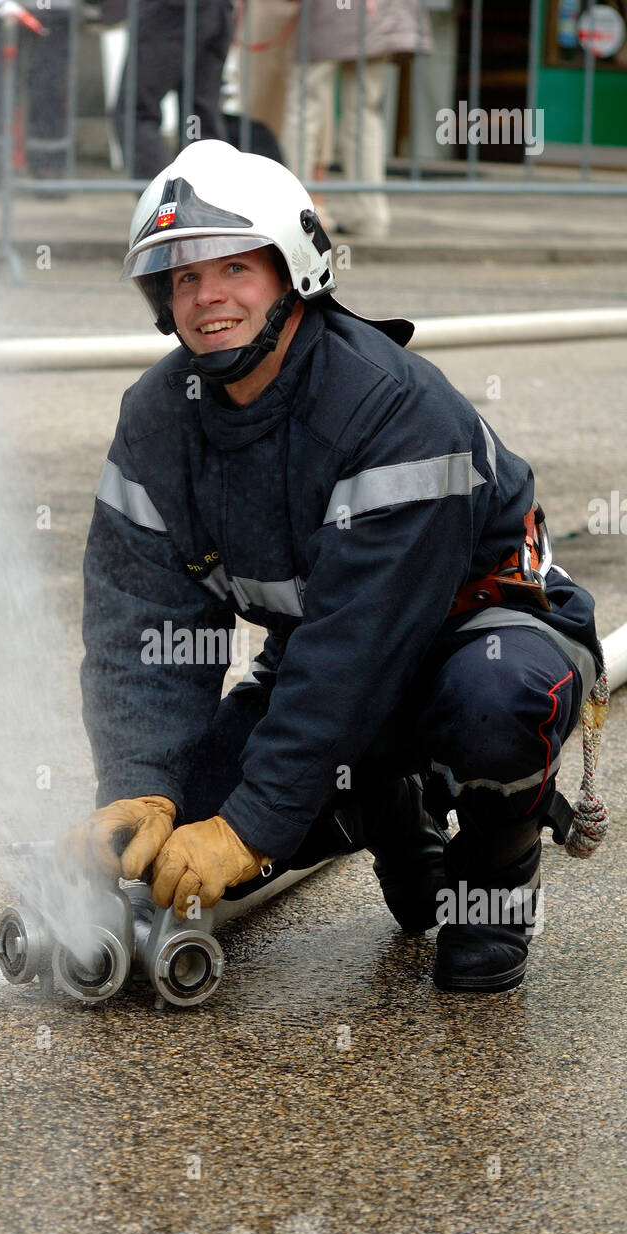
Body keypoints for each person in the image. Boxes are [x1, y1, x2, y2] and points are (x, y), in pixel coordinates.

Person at [63, 139, 604, 995]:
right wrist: (141, 787)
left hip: (493, 634)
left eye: (234, 267)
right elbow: (144, 626)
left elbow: (360, 654)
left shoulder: (392, 408)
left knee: (493, 704)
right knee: (176, 831)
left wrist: (248, 832)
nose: (208, 297)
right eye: (185, 278)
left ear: (294, 271)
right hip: (335, 655)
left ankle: (493, 887)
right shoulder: (158, 422)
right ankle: (395, 806)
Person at [283, 0, 433, 237]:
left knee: (306, 106)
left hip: (328, 15)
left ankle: (293, 212)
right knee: (365, 110)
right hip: (377, 15)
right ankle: (369, 214)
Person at [109, 0, 235, 180]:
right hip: (213, 10)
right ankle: (206, 199)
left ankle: (163, 199)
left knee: (135, 112)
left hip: (172, 12)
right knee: (198, 115)